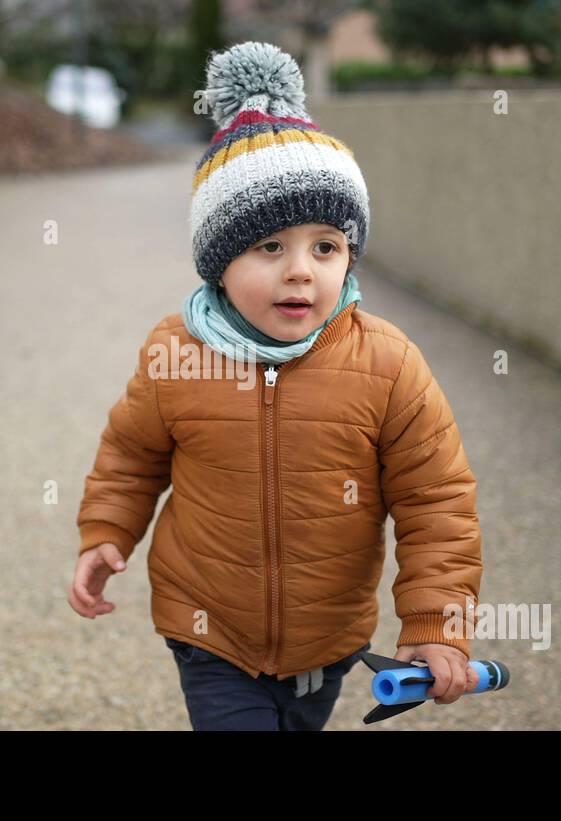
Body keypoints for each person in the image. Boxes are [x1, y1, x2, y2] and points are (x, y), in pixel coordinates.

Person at [69, 41, 483, 730]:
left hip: (329, 636)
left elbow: (436, 498)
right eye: (270, 247)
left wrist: (437, 621)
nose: (302, 272)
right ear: (219, 264)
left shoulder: (387, 364)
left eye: (325, 246)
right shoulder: (178, 353)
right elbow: (132, 451)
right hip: (210, 631)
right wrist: (106, 529)